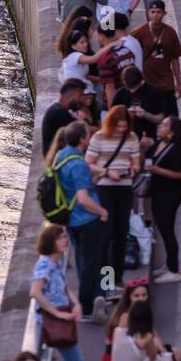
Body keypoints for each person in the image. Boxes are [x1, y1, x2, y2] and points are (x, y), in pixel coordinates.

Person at [30, 225, 98, 361]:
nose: (65, 241)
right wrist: (56, 312)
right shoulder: (45, 264)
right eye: (61, 238)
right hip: (55, 321)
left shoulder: (56, 262)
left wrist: (76, 303)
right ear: (50, 242)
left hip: (63, 318)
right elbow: (35, 292)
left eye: (65, 238)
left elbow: (65, 287)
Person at [53, 123, 109, 320]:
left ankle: (97, 294)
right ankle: (94, 300)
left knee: (82, 259)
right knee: (97, 260)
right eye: (87, 135)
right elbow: (84, 198)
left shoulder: (61, 156)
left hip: (70, 218)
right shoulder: (78, 164)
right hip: (87, 219)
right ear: (83, 139)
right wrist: (102, 211)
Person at [87, 106, 141, 291]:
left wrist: (132, 170)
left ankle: (117, 278)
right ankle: (106, 280)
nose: (121, 130)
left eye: (124, 127)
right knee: (106, 235)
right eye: (118, 127)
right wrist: (106, 172)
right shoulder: (99, 138)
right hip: (105, 188)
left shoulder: (132, 138)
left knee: (121, 234)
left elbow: (136, 163)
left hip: (124, 189)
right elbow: (89, 163)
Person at [141, 116, 181, 283]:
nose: (160, 126)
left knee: (167, 230)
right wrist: (141, 146)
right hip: (157, 192)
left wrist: (156, 170)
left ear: (172, 131)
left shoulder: (175, 149)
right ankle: (169, 264)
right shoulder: (157, 144)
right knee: (162, 229)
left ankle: (174, 270)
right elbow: (144, 160)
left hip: (169, 194)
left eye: (164, 125)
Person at [131, 0, 181, 115]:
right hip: (147, 84)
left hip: (166, 84)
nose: (155, 15)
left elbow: (175, 59)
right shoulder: (139, 32)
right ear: (148, 14)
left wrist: (178, 82)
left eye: (158, 12)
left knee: (172, 119)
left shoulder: (170, 33)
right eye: (152, 12)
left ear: (164, 13)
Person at [41, 78, 87, 155]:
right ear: (70, 95)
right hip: (59, 159)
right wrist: (81, 122)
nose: (82, 99)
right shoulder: (60, 113)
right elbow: (81, 134)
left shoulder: (58, 109)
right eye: (80, 95)